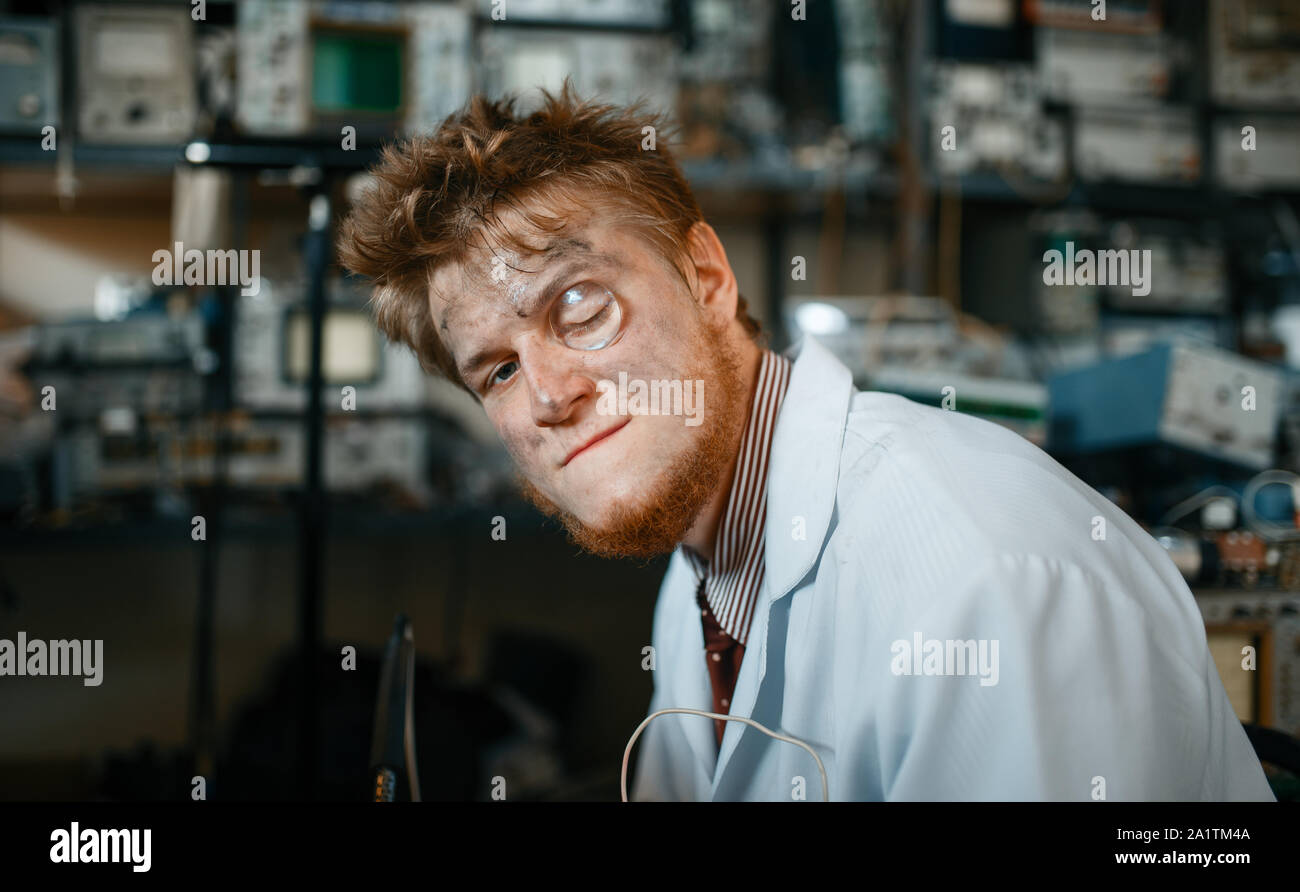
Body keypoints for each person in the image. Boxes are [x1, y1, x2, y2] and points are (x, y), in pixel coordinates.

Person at [336, 83, 1275, 801]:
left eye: (581, 308)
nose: (548, 395)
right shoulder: (701, 571)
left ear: (706, 276)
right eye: (495, 369)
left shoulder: (982, 580)